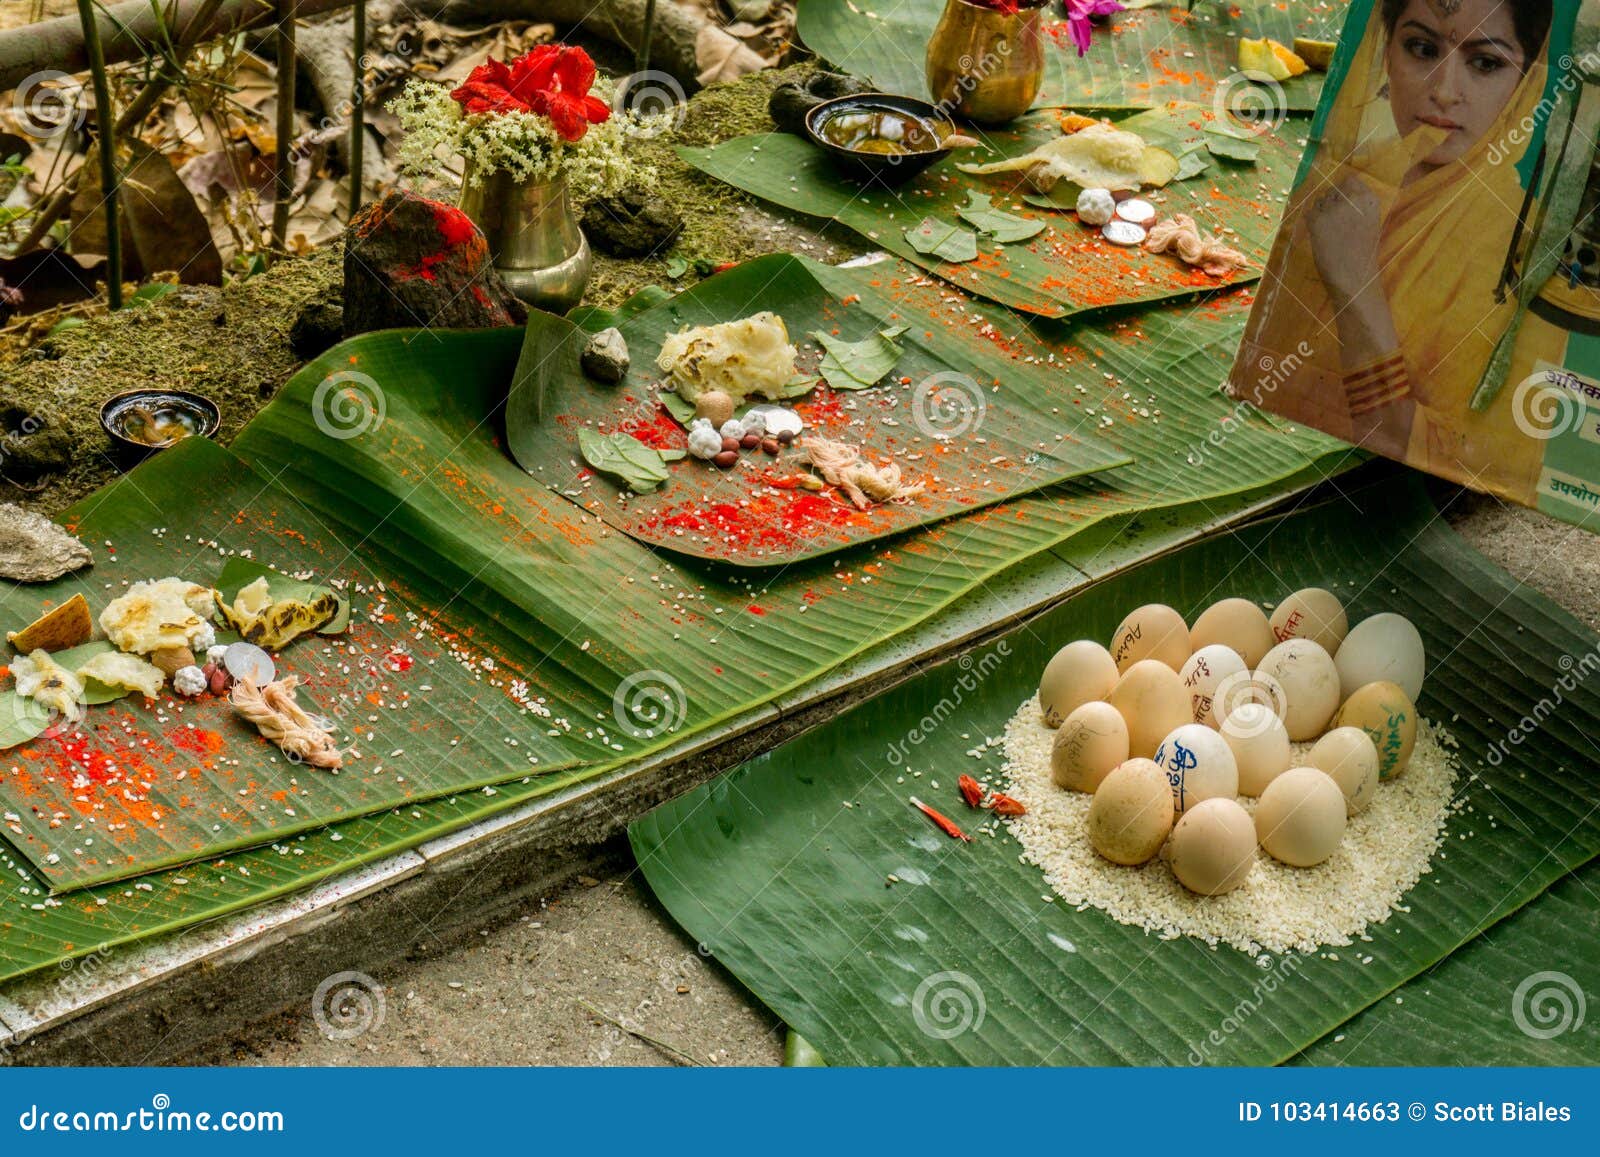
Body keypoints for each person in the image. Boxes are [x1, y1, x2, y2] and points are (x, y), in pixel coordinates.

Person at [1237, 0, 1557, 499]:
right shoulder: (1343, 186)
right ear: (1386, 52)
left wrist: (1354, 282)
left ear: (1527, 84)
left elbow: (1473, 463)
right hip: (1264, 466)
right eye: (1422, 48)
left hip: (1399, 503)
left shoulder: (1534, 254)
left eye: (1485, 62)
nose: (1444, 92)